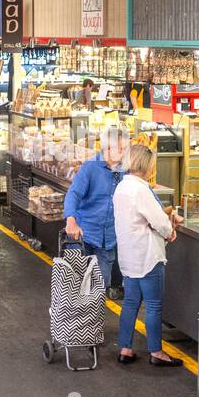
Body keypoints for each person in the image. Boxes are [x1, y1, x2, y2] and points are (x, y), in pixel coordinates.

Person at [113, 144, 183, 367]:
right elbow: (159, 221)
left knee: (131, 302)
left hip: (128, 254)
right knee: (153, 304)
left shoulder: (122, 187)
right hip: (147, 256)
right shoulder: (141, 190)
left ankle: (125, 348)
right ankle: (156, 352)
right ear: (146, 165)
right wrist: (170, 231)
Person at [63, 126, 129, 300]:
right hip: (83, 237)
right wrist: (71, 220)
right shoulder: (90, 168)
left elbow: (142, 191)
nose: (125, 153)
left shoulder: (127, 170)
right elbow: (74, 194)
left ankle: (93, 325)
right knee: (76, 288)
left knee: (99, 289)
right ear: (108, 149)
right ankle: (75, 325)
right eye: (121, 149)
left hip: (108, 241)